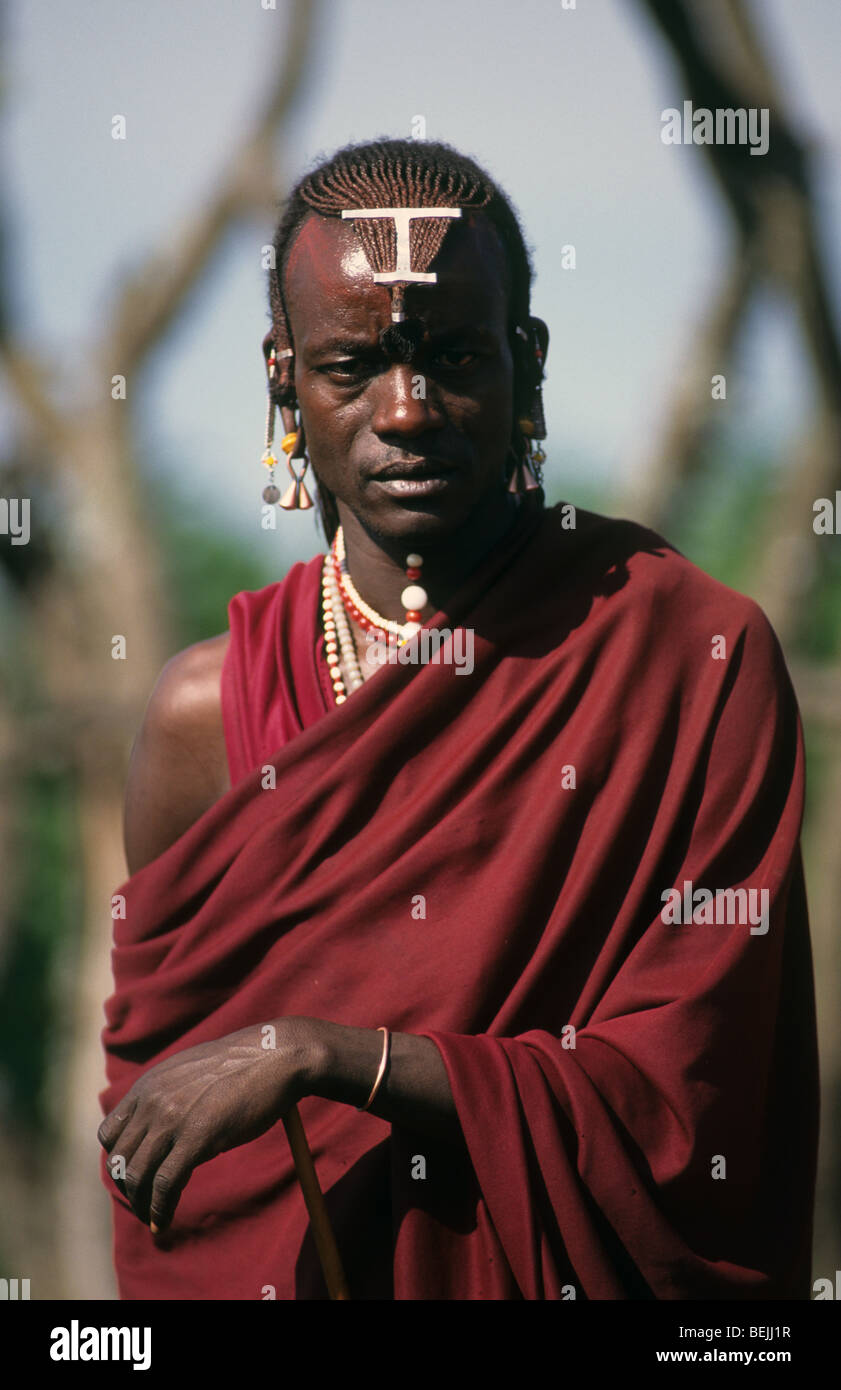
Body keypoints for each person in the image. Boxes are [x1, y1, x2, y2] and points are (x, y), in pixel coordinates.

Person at [98, 138, 819, 1300]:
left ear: (525, 365)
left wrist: (325, 1055)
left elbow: (691, 1098)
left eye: (451, 357)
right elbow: (175, 1168)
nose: (408, 409)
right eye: (353, 364)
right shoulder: (204, 715)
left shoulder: (692, 657)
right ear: (282, 377)